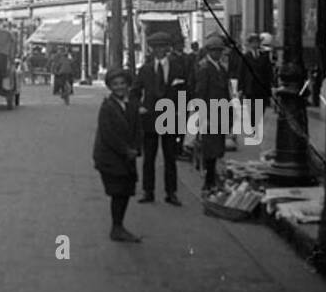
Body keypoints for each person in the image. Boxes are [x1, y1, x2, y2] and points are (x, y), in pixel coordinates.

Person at [133, 33, 187, 205]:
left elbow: (185, 91)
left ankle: (171, 193)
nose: (159, 51)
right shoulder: (145, 69)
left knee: (170, 157)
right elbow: (135, 92)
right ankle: (148, 191)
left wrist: (182, 111)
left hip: (170, 117)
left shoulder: (178, 67)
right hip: (149, 118)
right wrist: (139, 107)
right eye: (155, 47)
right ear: (151, 49)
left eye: (162, 47)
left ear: (167, 48)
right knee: (149, 158)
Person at [93, 67, 142, 242]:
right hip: (110, 157)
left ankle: (119, 226)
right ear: (110, 87)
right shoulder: (107, 107)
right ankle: (117, 227)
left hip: (127, 156)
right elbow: (109, 135)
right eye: (115, 84)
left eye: (122, 83)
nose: (120, 87)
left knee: (126, 190)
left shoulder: (132, 104)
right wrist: (126, 150)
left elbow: (137, 128)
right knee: (118, 192)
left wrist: (136, 147)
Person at [193, 31, 232, 191]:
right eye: (214, 51)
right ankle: (208, 181)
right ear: (209, 51)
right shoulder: (204, 69)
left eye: (219, 50)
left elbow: (226, 93)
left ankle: (213, 178)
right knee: (210, 149)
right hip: (210, 114)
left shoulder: (221, 69)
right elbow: (200, 93)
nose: (218, 53)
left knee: (218, 148)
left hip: (221, 112)